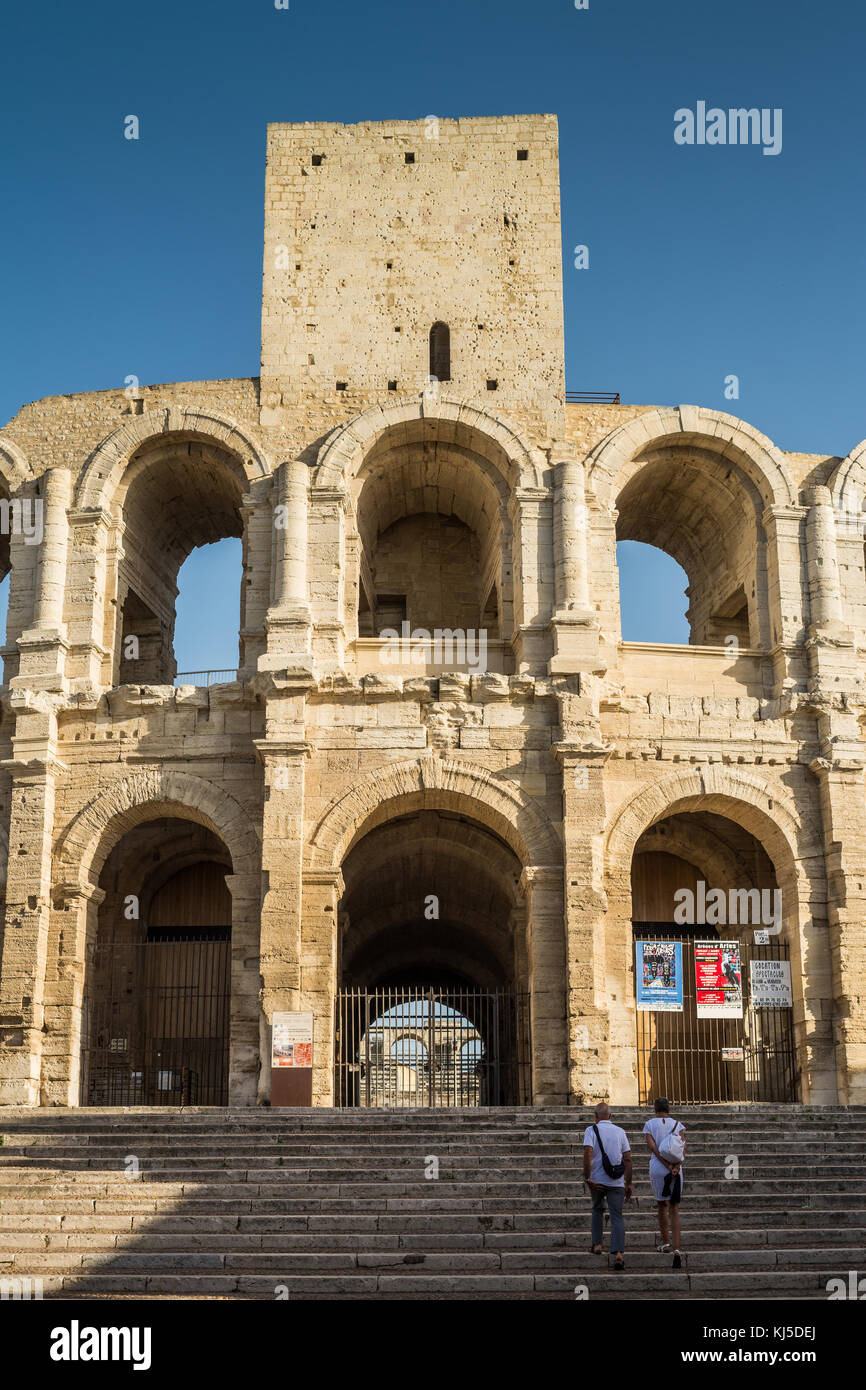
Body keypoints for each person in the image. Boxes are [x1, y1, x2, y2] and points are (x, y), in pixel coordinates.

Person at [582, 1102, 632, 1270]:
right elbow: (627, 1158)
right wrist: (629, 1182)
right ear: (610, 1116)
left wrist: (588, 1177)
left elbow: (588, 1153)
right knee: (617, 1216)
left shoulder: (591, 1130)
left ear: (595, 1116)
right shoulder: (620, 1132)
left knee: (597, 1209)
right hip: (616, 1181)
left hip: (597, 1180)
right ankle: (618, 1254)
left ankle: (597, 1245)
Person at [643, 1097, 685, 1269]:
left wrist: (666, 1165)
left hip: (658, 1168)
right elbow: (682, 1148)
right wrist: (675, 1166)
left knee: (662, 1206)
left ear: (655, 1109)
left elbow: (653, 1148)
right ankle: (677, 1247)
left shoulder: (649, 1124)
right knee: (675, 1208)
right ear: (669, 1109)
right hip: (676, 1168)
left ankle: (666, 1243)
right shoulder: (678, 1124)